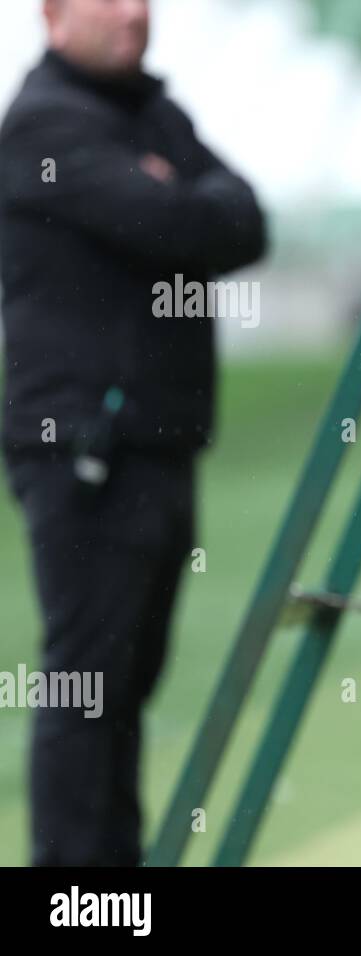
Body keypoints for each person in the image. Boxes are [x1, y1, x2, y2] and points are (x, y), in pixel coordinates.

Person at [0, 0, 267, 865]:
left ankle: (112, 884)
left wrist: (174, 187)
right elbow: (177, 223)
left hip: (152, 442)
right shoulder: (46, 123)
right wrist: (177, 195)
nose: (135, 12)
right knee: (87, 686)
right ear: (52, 15)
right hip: (87, 448)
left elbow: (244, 221)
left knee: (124, 682)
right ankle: (74, 892)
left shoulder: (153, 111)